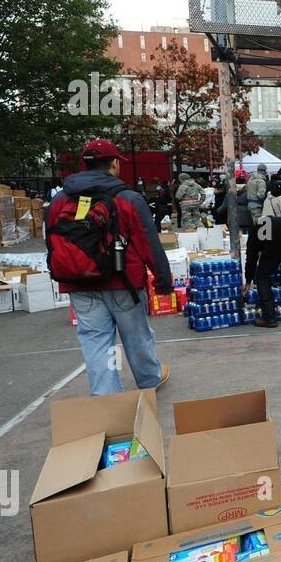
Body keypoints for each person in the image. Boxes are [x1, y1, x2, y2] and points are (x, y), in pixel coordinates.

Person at [47, 140, 171, 393]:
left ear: (85, 165)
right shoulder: (127, 199)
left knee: (96, 341)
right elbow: (149, 242)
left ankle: (107, 395)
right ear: (115, 163)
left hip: (79, 283)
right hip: (122, 282)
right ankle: (149, 380)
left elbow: (51, 242)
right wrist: (163, 281)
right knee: (136, 336)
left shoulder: (60, 200)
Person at [233, 170, 253, 237]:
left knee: (239, 235)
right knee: (249, 234)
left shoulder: (232, 190)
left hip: (237, 214)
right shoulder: (248, 190)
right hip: (248, 213)